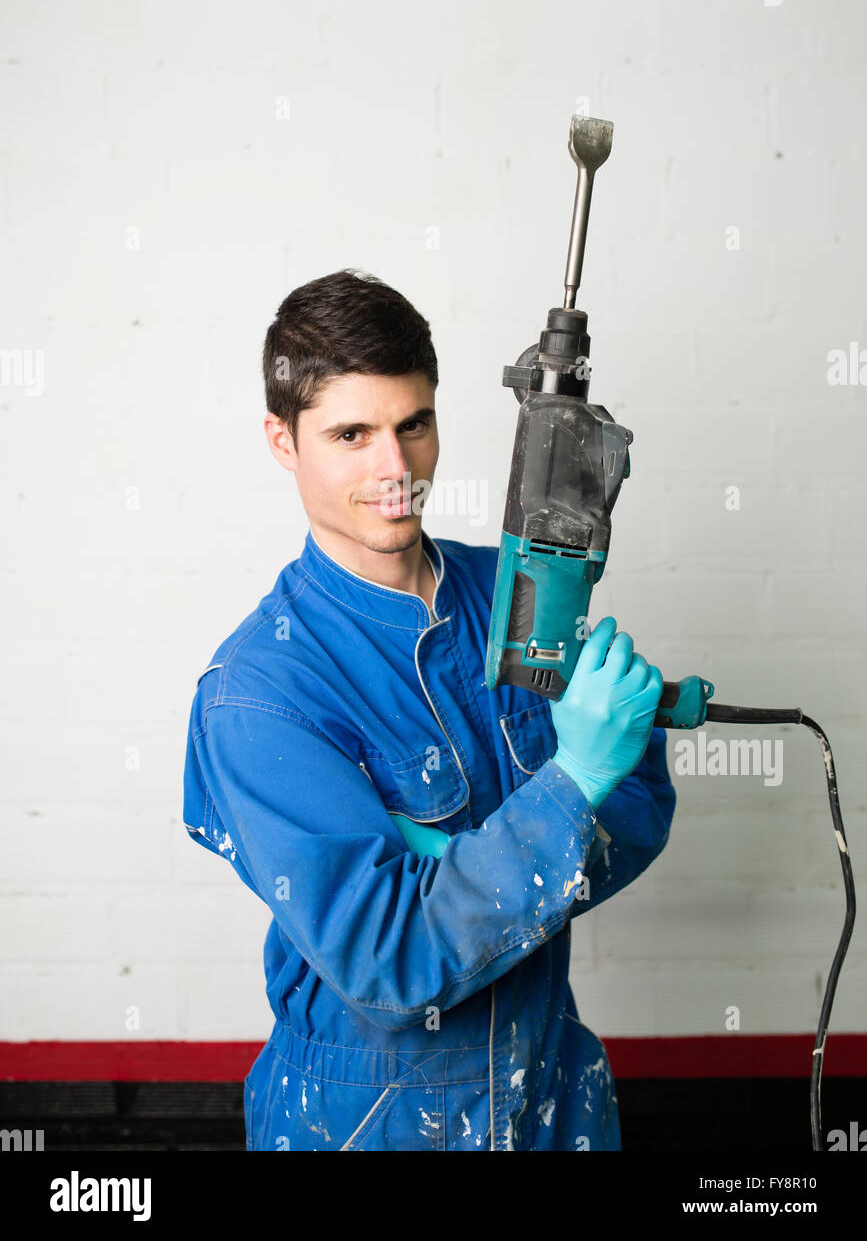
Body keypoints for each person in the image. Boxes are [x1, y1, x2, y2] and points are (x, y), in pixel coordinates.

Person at [182, 267, 674, 1151]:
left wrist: (595, 775)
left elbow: (634, 812)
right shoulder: (260, 694)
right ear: (282, 440)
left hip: (550, 1092)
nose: (395, 468)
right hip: (374, 1119)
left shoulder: (511, 593)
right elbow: (391, 960)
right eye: (351, 434)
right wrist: (568, 791)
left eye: (414, 424)